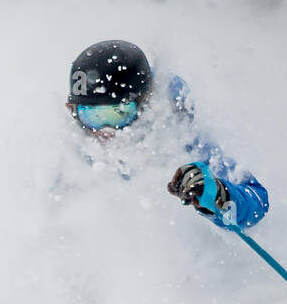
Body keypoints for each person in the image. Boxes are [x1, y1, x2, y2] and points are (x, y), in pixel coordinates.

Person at [65, 40, 268, 229]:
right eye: (92, 115)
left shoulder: (181, 139)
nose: (105, 131)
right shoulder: (67, 148)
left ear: (146, 103)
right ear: (72, 110)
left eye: (118, 114)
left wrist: (220, 195)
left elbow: (256, 199)